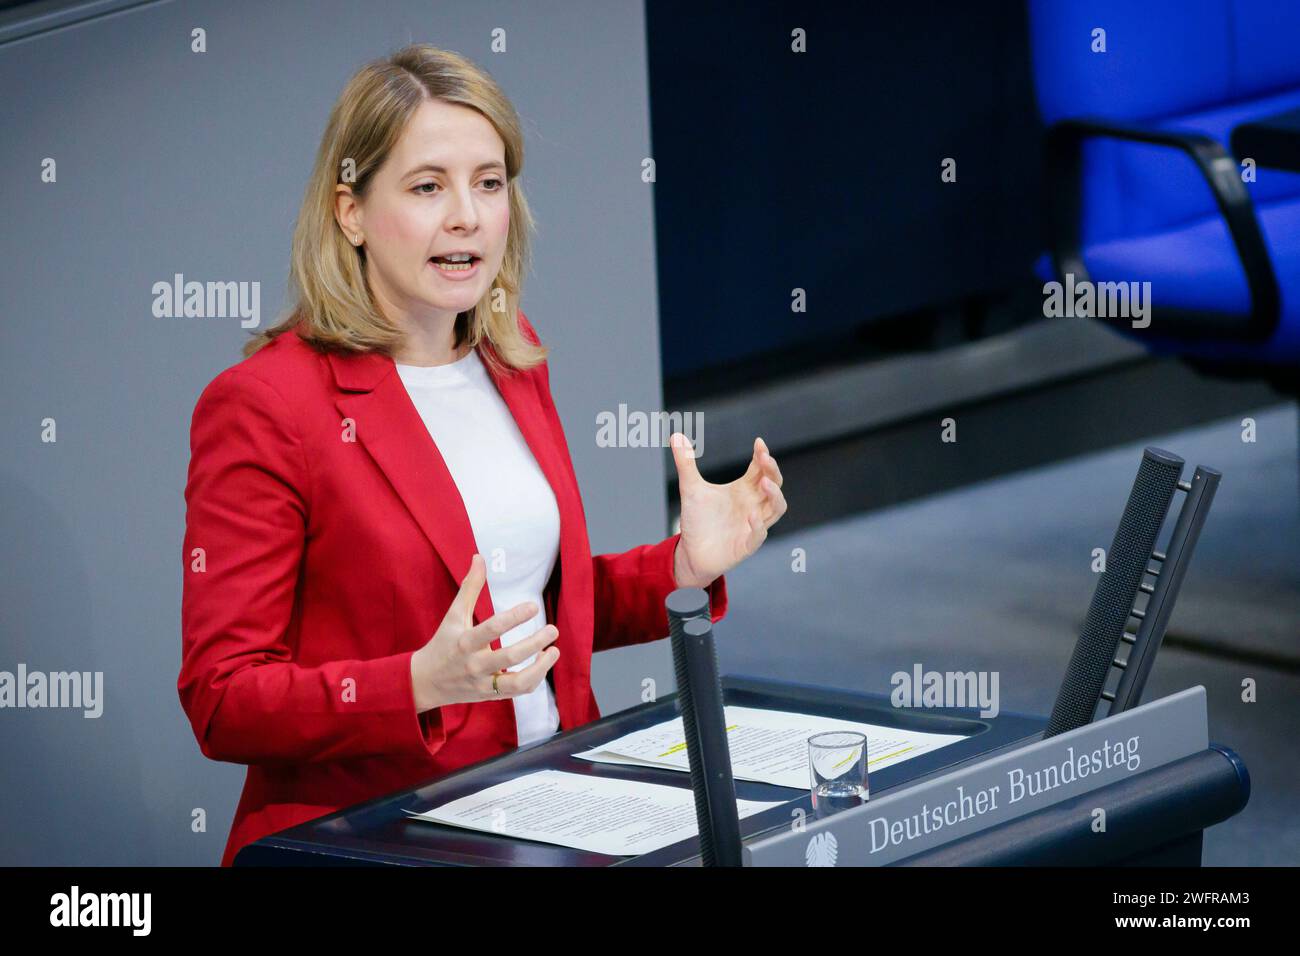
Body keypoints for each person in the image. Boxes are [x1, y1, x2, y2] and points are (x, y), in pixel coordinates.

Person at [178, 44, 787, 867]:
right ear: (349, 211)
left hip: (552, 811)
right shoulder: (268, 404)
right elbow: (222, 698)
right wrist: (418, 683)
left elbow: (531, 617)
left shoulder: (512, 356)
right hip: (373, 841)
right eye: (428, 186)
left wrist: (681, 564)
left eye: (489, 183)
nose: (466, 215)